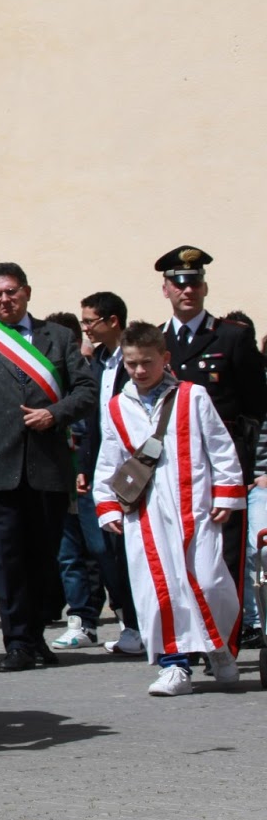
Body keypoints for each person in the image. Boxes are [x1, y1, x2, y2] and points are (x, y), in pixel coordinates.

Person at [0, 263, 96, 673]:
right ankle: (17, 641)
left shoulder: (60, 337)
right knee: (6, 560)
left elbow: (86, 390)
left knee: (42, 558)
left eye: (11, 292)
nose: (5, 300)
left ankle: (35, 636)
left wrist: (55, 413)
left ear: (27, 293)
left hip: (48, 465)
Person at [93, 321, 245, 695]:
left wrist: (226, 493)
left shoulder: (193, 396)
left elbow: (220, 447)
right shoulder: (117, 406)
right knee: (158, 589)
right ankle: (174, 666)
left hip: (196, 508)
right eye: (131, 364)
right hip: (144, 514)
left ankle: (220, 648)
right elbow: (109, 459)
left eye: (147, 362)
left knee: (208, 582)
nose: (140, 371)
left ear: (165, 358)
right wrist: (108, 505)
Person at [159, 246, 267, 654]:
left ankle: (225, 639)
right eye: (179, 283)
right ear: (166, 289)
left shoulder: (232, 337)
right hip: (175, 464)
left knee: (228, 553)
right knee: (180, 550)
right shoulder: (158, 341)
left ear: (204, 287)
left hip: (223, 462)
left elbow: (256, 405)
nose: (188, 290)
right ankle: (188, 638)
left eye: (195, 283)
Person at [78, 291, 142, 655]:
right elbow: (94, 419)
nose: (85, 328)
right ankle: (128, 620)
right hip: (100, 467)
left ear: (112, 321)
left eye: (90, 321)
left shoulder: (133, 358)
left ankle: (141, 622)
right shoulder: (97, 360)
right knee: (103, 548)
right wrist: (85, 468)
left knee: (130, 550)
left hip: (133, 469)